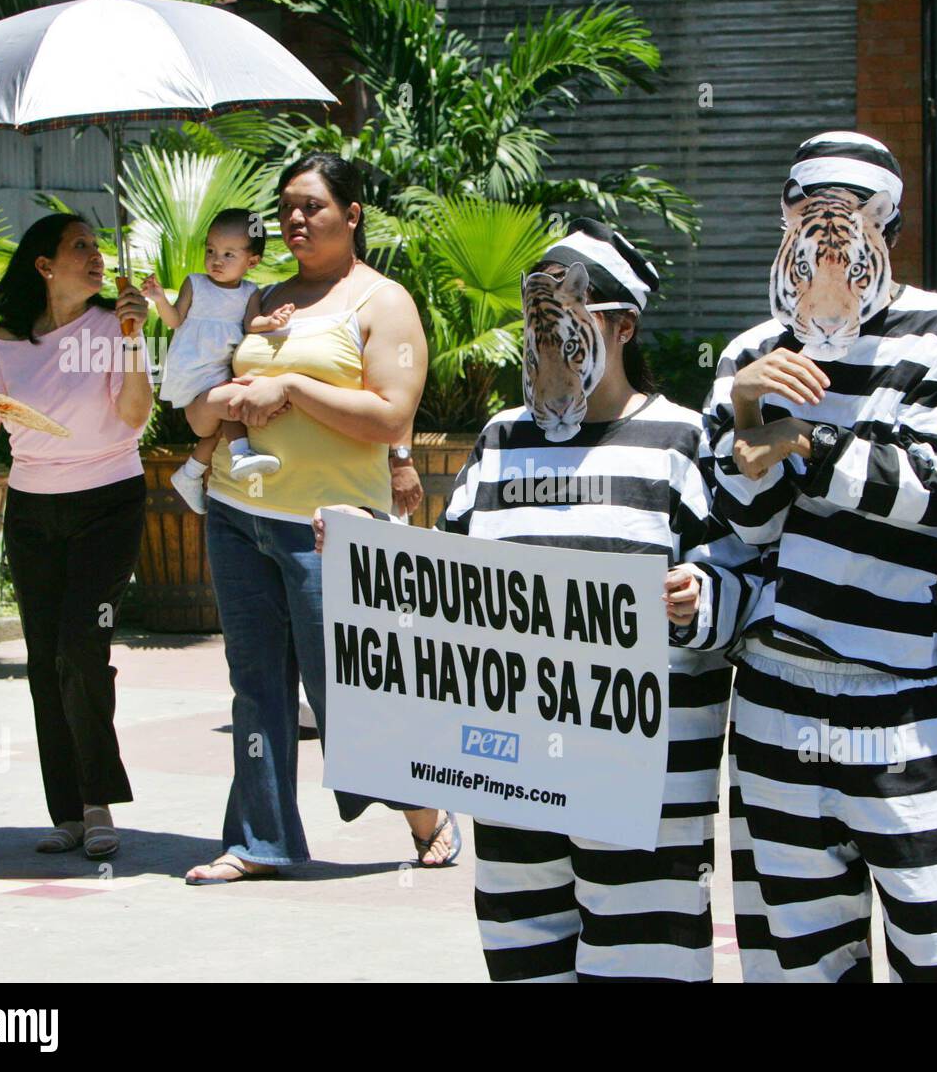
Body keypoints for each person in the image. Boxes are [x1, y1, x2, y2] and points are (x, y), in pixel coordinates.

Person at [318, 219, 759, 981]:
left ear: (623, 326)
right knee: (525, 963)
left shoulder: (686, 442)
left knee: (646, 965)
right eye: (537, 322)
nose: (547, 340)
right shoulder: (497, 441)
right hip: (512, 783)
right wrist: (375, 546)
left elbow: (745, 577)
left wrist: (703, 596)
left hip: (645, 795)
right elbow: (453, 585)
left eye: (567, 321)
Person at [703, 132, 937, 981]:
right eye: (805, 216)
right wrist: (755, 416)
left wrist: (799, 440)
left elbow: (932, 493)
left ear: (884, 227)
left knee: (936, 950)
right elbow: (744, 523)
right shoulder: (748, 353)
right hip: (777, 700)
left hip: (899, 696)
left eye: (846, 220)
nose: (823, 241)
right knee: (801, 957)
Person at [181, 153, 451, 885]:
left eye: (313, 206)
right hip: (237, 511)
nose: (295, 220)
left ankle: (423, 809)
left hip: (330, 524)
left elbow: (391, 413)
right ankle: (259, 839)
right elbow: (205, 395)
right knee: (256, 681)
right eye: (286, 208)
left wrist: (292, 385)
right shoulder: (262, 296)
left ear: (353, 214)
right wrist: (223, 403)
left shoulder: (382, 302)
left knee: (347, 687)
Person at [0, 213, 153, 859]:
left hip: (107, 506)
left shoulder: (113, 326)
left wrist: (132, 338)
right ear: (45, 267)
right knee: (45, 663)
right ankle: (66, 811)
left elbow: (133, 417)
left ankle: (98, 801)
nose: (96, 256)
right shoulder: (8, 342)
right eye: (80, 247)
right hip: (33, 512)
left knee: (80, 648)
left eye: (97, 246)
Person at [142, 209, 287, 514]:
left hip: (217, 374)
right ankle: (241, 455)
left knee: (222, 422)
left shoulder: (250, 292)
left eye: (228, 254)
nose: (216, 260)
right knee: (237, 398)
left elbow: (251, 324)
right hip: (192, 377)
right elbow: (175, 320)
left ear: (252, 261)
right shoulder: (195, 283)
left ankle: (191, 473)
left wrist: (271, 321)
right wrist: (158, 299)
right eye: (211, 251)